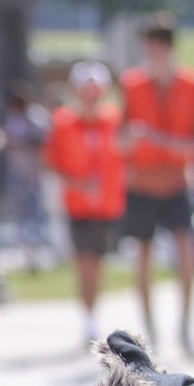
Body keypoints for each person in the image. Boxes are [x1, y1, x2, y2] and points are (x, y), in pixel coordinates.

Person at [120, 14, 194, 358]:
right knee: (143, 254)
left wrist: (168, 143)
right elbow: (121, 135)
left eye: (156, 44)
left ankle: (186, 324)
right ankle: (149, 328)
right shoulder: (132, 84)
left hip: (177, 181)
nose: (151, 51)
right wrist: (131, 142)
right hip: (143, 182)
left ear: (166, 46)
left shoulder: (192, 84)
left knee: (186, 251)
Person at [46, 62, 125, 344]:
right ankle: (89, 318)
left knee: (99, 261)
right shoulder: (64, 123)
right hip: (78, 204)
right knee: (84, 261)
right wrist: (76, 184)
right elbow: (53, 163)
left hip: (106, 204)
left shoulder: (115, 121)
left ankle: (95, 312)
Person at [3, 81, 53, 271]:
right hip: (17, 171)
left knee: (37, 210)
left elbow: (41, 141)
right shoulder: (13, 118)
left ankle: (40, 247)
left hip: (35, 171)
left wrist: (20, 142)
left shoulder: (37, 116)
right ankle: (24, 247)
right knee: (20, 210)